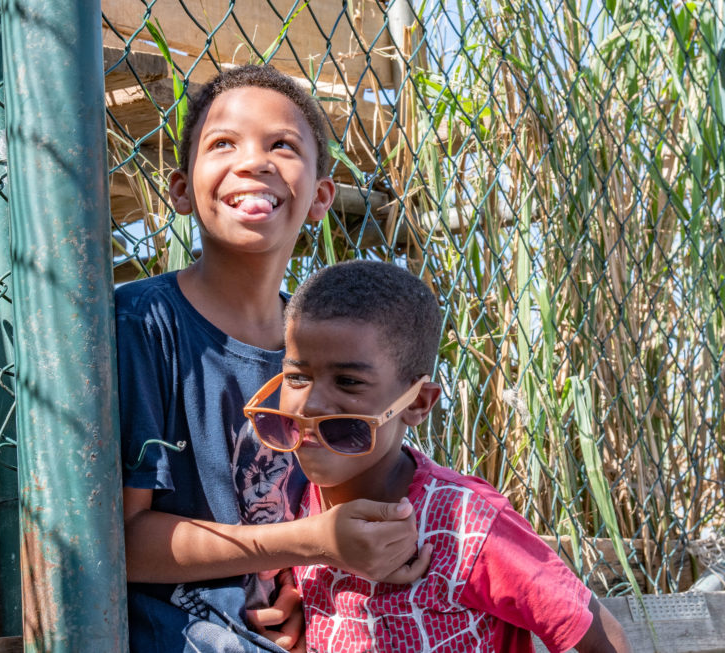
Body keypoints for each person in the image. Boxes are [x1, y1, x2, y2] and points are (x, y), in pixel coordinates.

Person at [116, 66, 431, 653]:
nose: (255, 161)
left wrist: (303, 584)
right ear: (181, 188)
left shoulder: (326, 346)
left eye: (282, 145)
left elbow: (329, 508)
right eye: (223, 143)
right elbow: (124, 542)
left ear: (320, 196)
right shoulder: (141, 325)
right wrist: (309, 544)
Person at [243, 260, 633, 653]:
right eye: (297, 376)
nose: (311, 403)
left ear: (418, 404)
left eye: (348, 381)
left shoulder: (466, 524)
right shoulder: (285, 500)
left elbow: (602, 637)